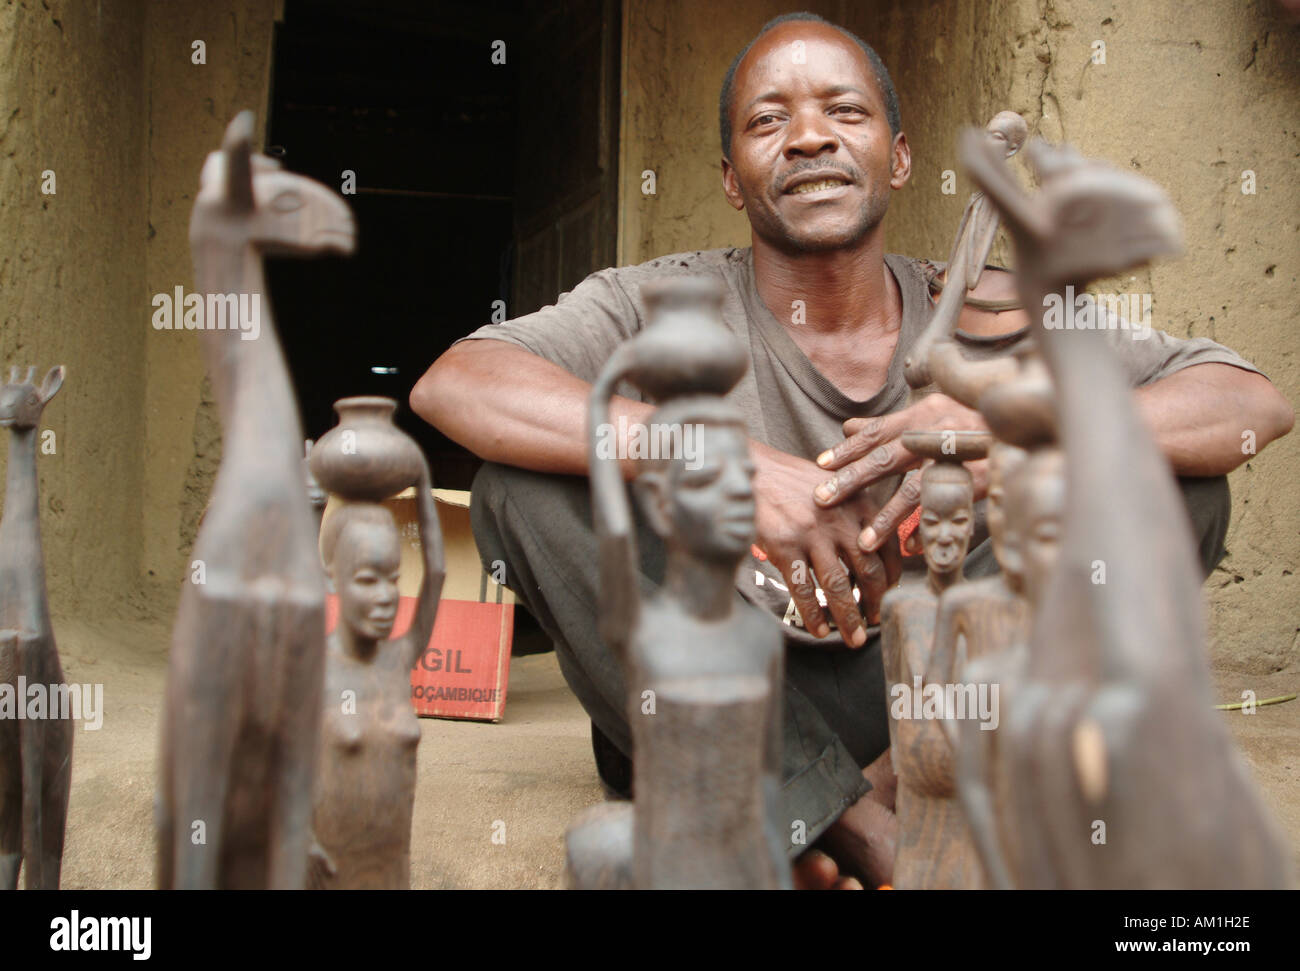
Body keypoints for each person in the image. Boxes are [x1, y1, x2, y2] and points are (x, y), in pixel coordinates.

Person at [410, 12, 1294, 886]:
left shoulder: (987, 307)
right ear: (731, 178)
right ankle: (870, 832)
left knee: (1179, 489)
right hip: (724, 695)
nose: (806, 139)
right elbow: (457, 383)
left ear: (899, 158)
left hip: (934, 693)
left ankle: (812, 820)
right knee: (518, 485)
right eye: (767, 121)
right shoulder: (659, 304)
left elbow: (1247, 401)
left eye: (845, 111)